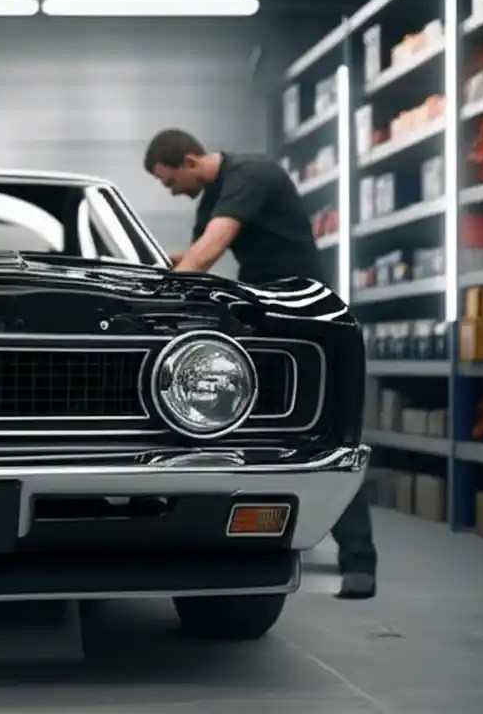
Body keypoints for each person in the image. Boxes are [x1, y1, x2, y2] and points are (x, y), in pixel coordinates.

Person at [143, 128, 378, 600]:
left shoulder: (251, 174)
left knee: (327, 433)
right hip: (263, 314)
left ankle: (360, 561)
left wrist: (155, 299)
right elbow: (193, 256)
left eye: (170, 182)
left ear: (190, 161)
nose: (170, 191)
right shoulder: (212, 198)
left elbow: (210, 249)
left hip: (303, 317)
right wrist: (146, 263)